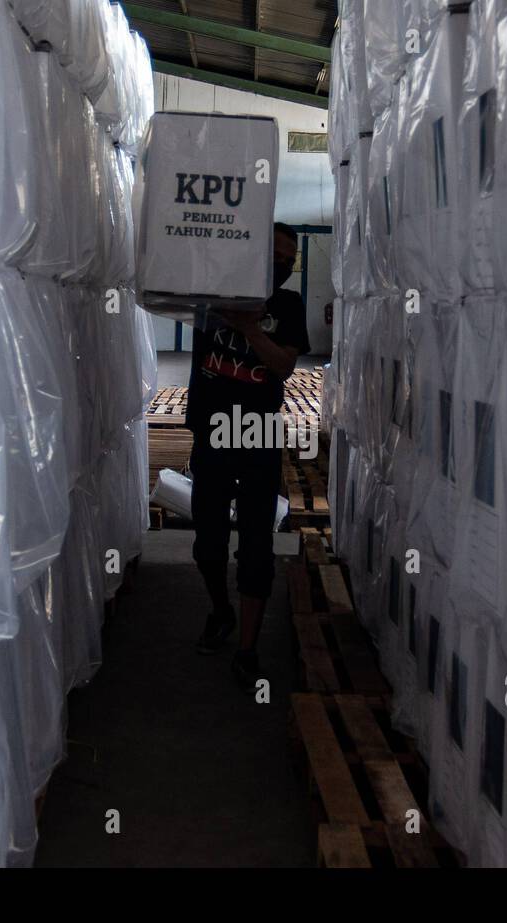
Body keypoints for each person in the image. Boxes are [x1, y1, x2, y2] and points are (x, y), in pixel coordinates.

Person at [185, 222, 311, 688]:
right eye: (274, 255)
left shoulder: (288, 305)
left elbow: (282, 365)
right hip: (212, 428)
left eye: (288, 260)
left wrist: (249, 329)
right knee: (209, 541)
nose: (281, 265)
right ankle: (221, 611)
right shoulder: (214, 291)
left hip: (257, 431)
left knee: (257, 544)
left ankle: (248, 649)